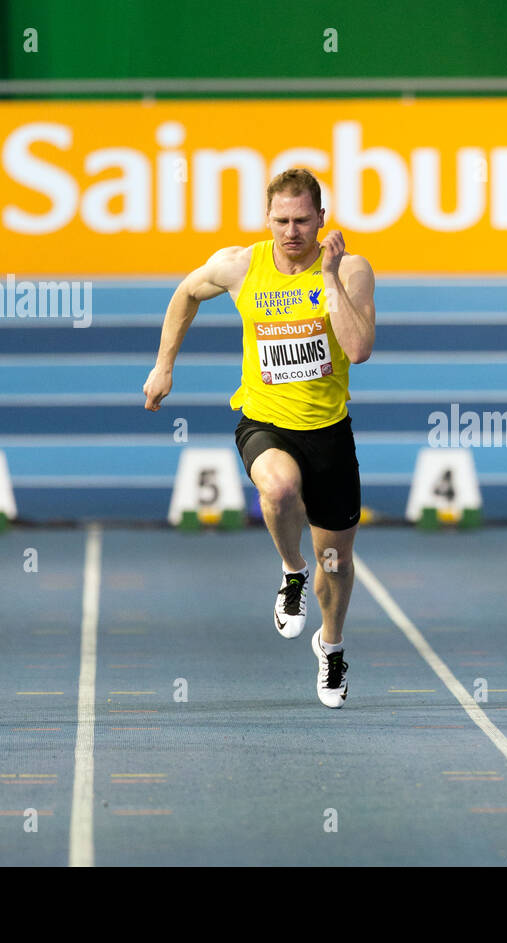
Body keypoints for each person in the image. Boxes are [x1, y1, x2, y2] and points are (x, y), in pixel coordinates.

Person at [143, 168, 375, 708]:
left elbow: (359, 349)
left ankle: (331, 644)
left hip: (328, 433)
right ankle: (291, 571)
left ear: (321, 218)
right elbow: (185, 293)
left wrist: (332, 278)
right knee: (276, 488)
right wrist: (164, 366)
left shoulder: (352, 270)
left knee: (336, 567)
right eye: (280, 221)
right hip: (263, 420)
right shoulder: (241, 265)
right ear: (267, 219)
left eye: (301, 220)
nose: (291, 231)